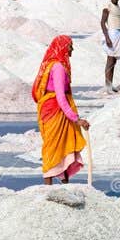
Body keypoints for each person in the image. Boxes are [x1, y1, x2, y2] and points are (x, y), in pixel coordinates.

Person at [32, 36, 89, 185]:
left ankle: (64, 185)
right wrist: (76, 119)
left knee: (62, 145)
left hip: (51, 109)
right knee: (53, 147)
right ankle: (48, 189)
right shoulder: (57, 67)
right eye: (70, 46)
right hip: (54, 111)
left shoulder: (53, 65)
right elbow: (60, 96)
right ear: (62, 48)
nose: (72, 49)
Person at [101, 0, 120, 91]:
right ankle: (107, 86)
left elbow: (118, 24)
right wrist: (107, 38)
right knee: (110, 60)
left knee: (114, 61)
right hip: (111, 35)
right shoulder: (107, 8)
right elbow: (103, 23)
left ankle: (110, 85)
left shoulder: (118, 7)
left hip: (118, 34)